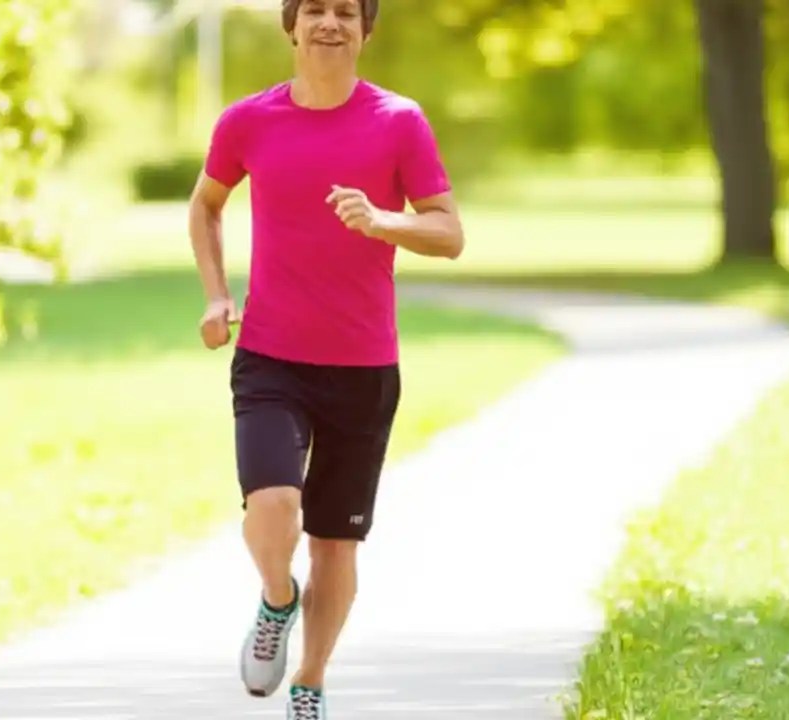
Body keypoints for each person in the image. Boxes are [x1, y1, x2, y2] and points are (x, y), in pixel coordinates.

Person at [187, 0, 464, 716]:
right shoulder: (248, 121)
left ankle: (308, 683)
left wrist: (382, 220)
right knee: (273, 505)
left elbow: (448, 231)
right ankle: (276, 601)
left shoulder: (398, 121)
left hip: (364, 364)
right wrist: (217, 296)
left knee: (335, 546)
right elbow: (206, 205)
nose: (330, 22)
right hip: (271, 354)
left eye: (346, 10)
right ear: (292, 23)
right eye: (315, 9)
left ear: (367, 28)